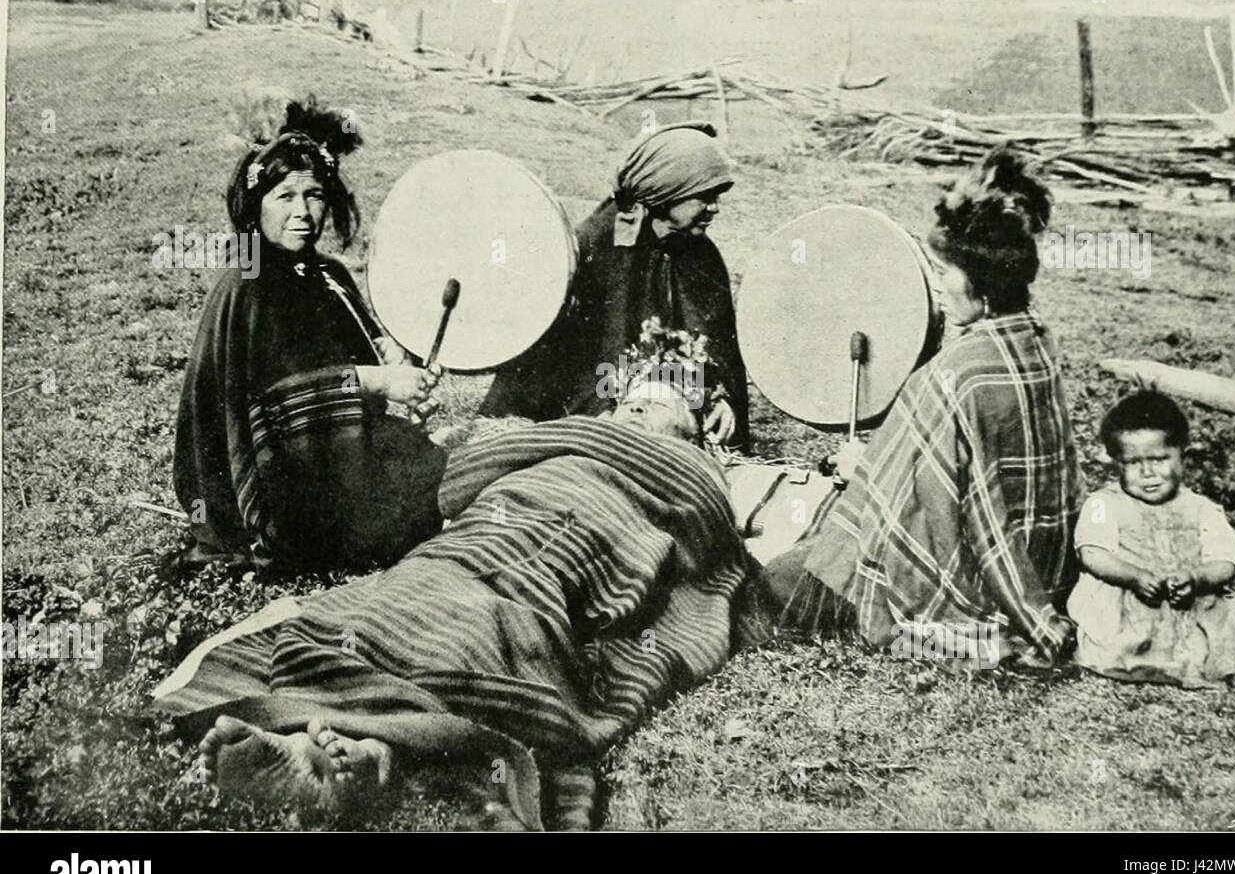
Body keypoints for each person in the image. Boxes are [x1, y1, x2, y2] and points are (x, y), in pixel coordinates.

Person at [154, 390, 775, 830]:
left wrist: (686, 467)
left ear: (692, 435)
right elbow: (459, 484)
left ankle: (370, 751)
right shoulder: (570, 436)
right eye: (631, 402)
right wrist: (562, 435)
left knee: (502, 622)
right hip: (486, 530)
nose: (637, 411)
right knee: (404, 595)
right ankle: (367, 756)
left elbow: (712, 549)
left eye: (661, 407)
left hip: (590, 540)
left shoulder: (691, 470)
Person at [768, 147, 1083, 667]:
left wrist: (867, 471)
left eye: (947, 271)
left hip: (978, 587)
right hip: (1046, 567)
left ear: (980, 284)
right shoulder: (1037, 339)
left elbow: (958, 511)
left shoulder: (955, 375)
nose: (940, 285)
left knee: (779, 581)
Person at [173, 94, 447, 572]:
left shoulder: (327, 274)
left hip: (328, 455)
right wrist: (376, 382)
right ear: (256, 208)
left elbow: (361, 357)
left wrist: (399, 368)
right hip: (268, 478)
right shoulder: (248, 283)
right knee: (415, 514)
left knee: (445, 480)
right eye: (284, 197)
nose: (302, 211)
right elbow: (269, 406)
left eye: (314, 195)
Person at [479, 121, 750, 450]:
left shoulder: (701, 256)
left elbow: (717, 352)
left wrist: (721, 403)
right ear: (665, 193)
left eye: (717, 197)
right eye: (704, 197)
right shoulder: (592, 250)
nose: (714, 208)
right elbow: (556, 372)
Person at [1067, 391, 1235, 687]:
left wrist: (1196, 577)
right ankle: (1196, 667)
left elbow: (1227, 560)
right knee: (1117, 645)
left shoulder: (1202, 509)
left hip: (1191, 597)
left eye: (1160, 459)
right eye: (1133, 463)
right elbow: (1092, 553)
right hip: (1131, 600)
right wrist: (1134, 576)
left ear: (1182, 454)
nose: (1148, 473)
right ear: (1115, 462)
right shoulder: (1103, 504)